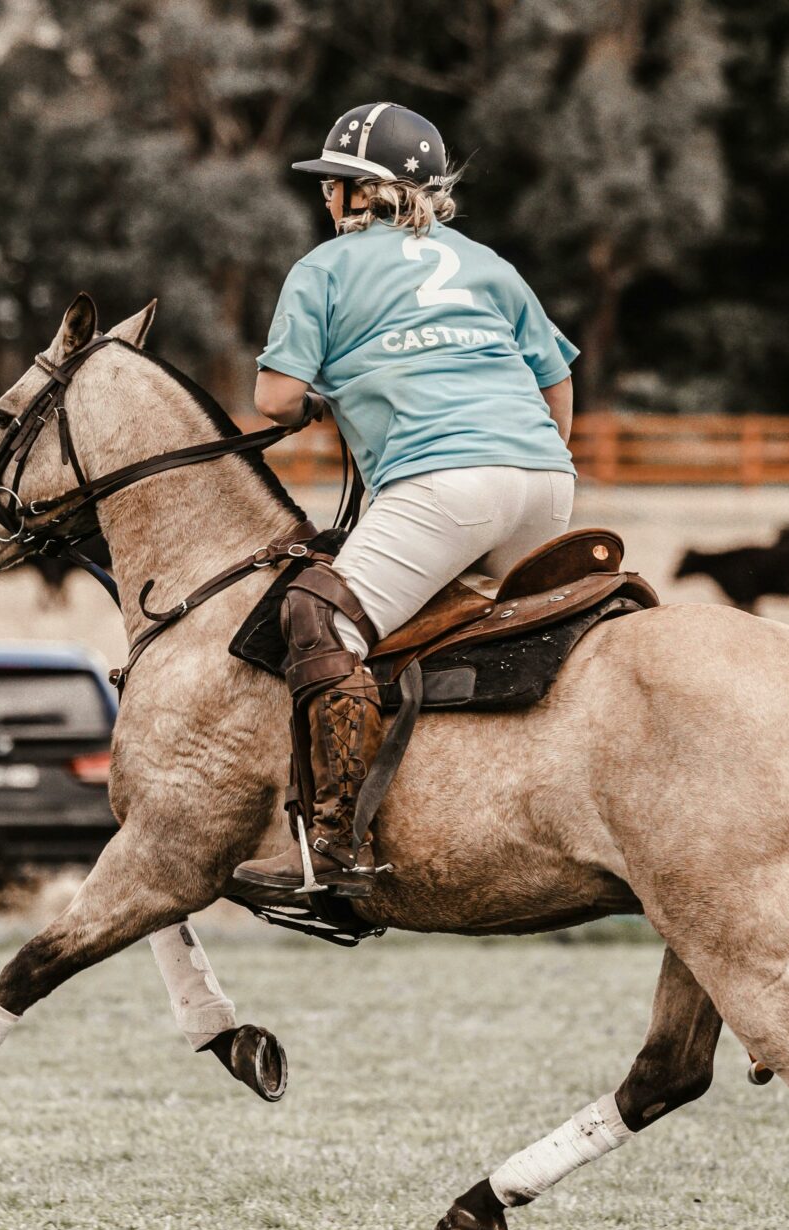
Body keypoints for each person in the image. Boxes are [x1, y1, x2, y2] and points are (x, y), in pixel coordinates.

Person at [233, 102, 580, 893]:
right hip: (547, 484)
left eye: (334, 186)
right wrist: (543, 455)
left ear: (361, 195)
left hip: (443, 488)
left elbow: (275, 400)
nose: (326, 201)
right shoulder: (487, 262)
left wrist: (326, 394)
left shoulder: (322, 269)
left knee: (319, 620)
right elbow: (555, 378)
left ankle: (332, 847)